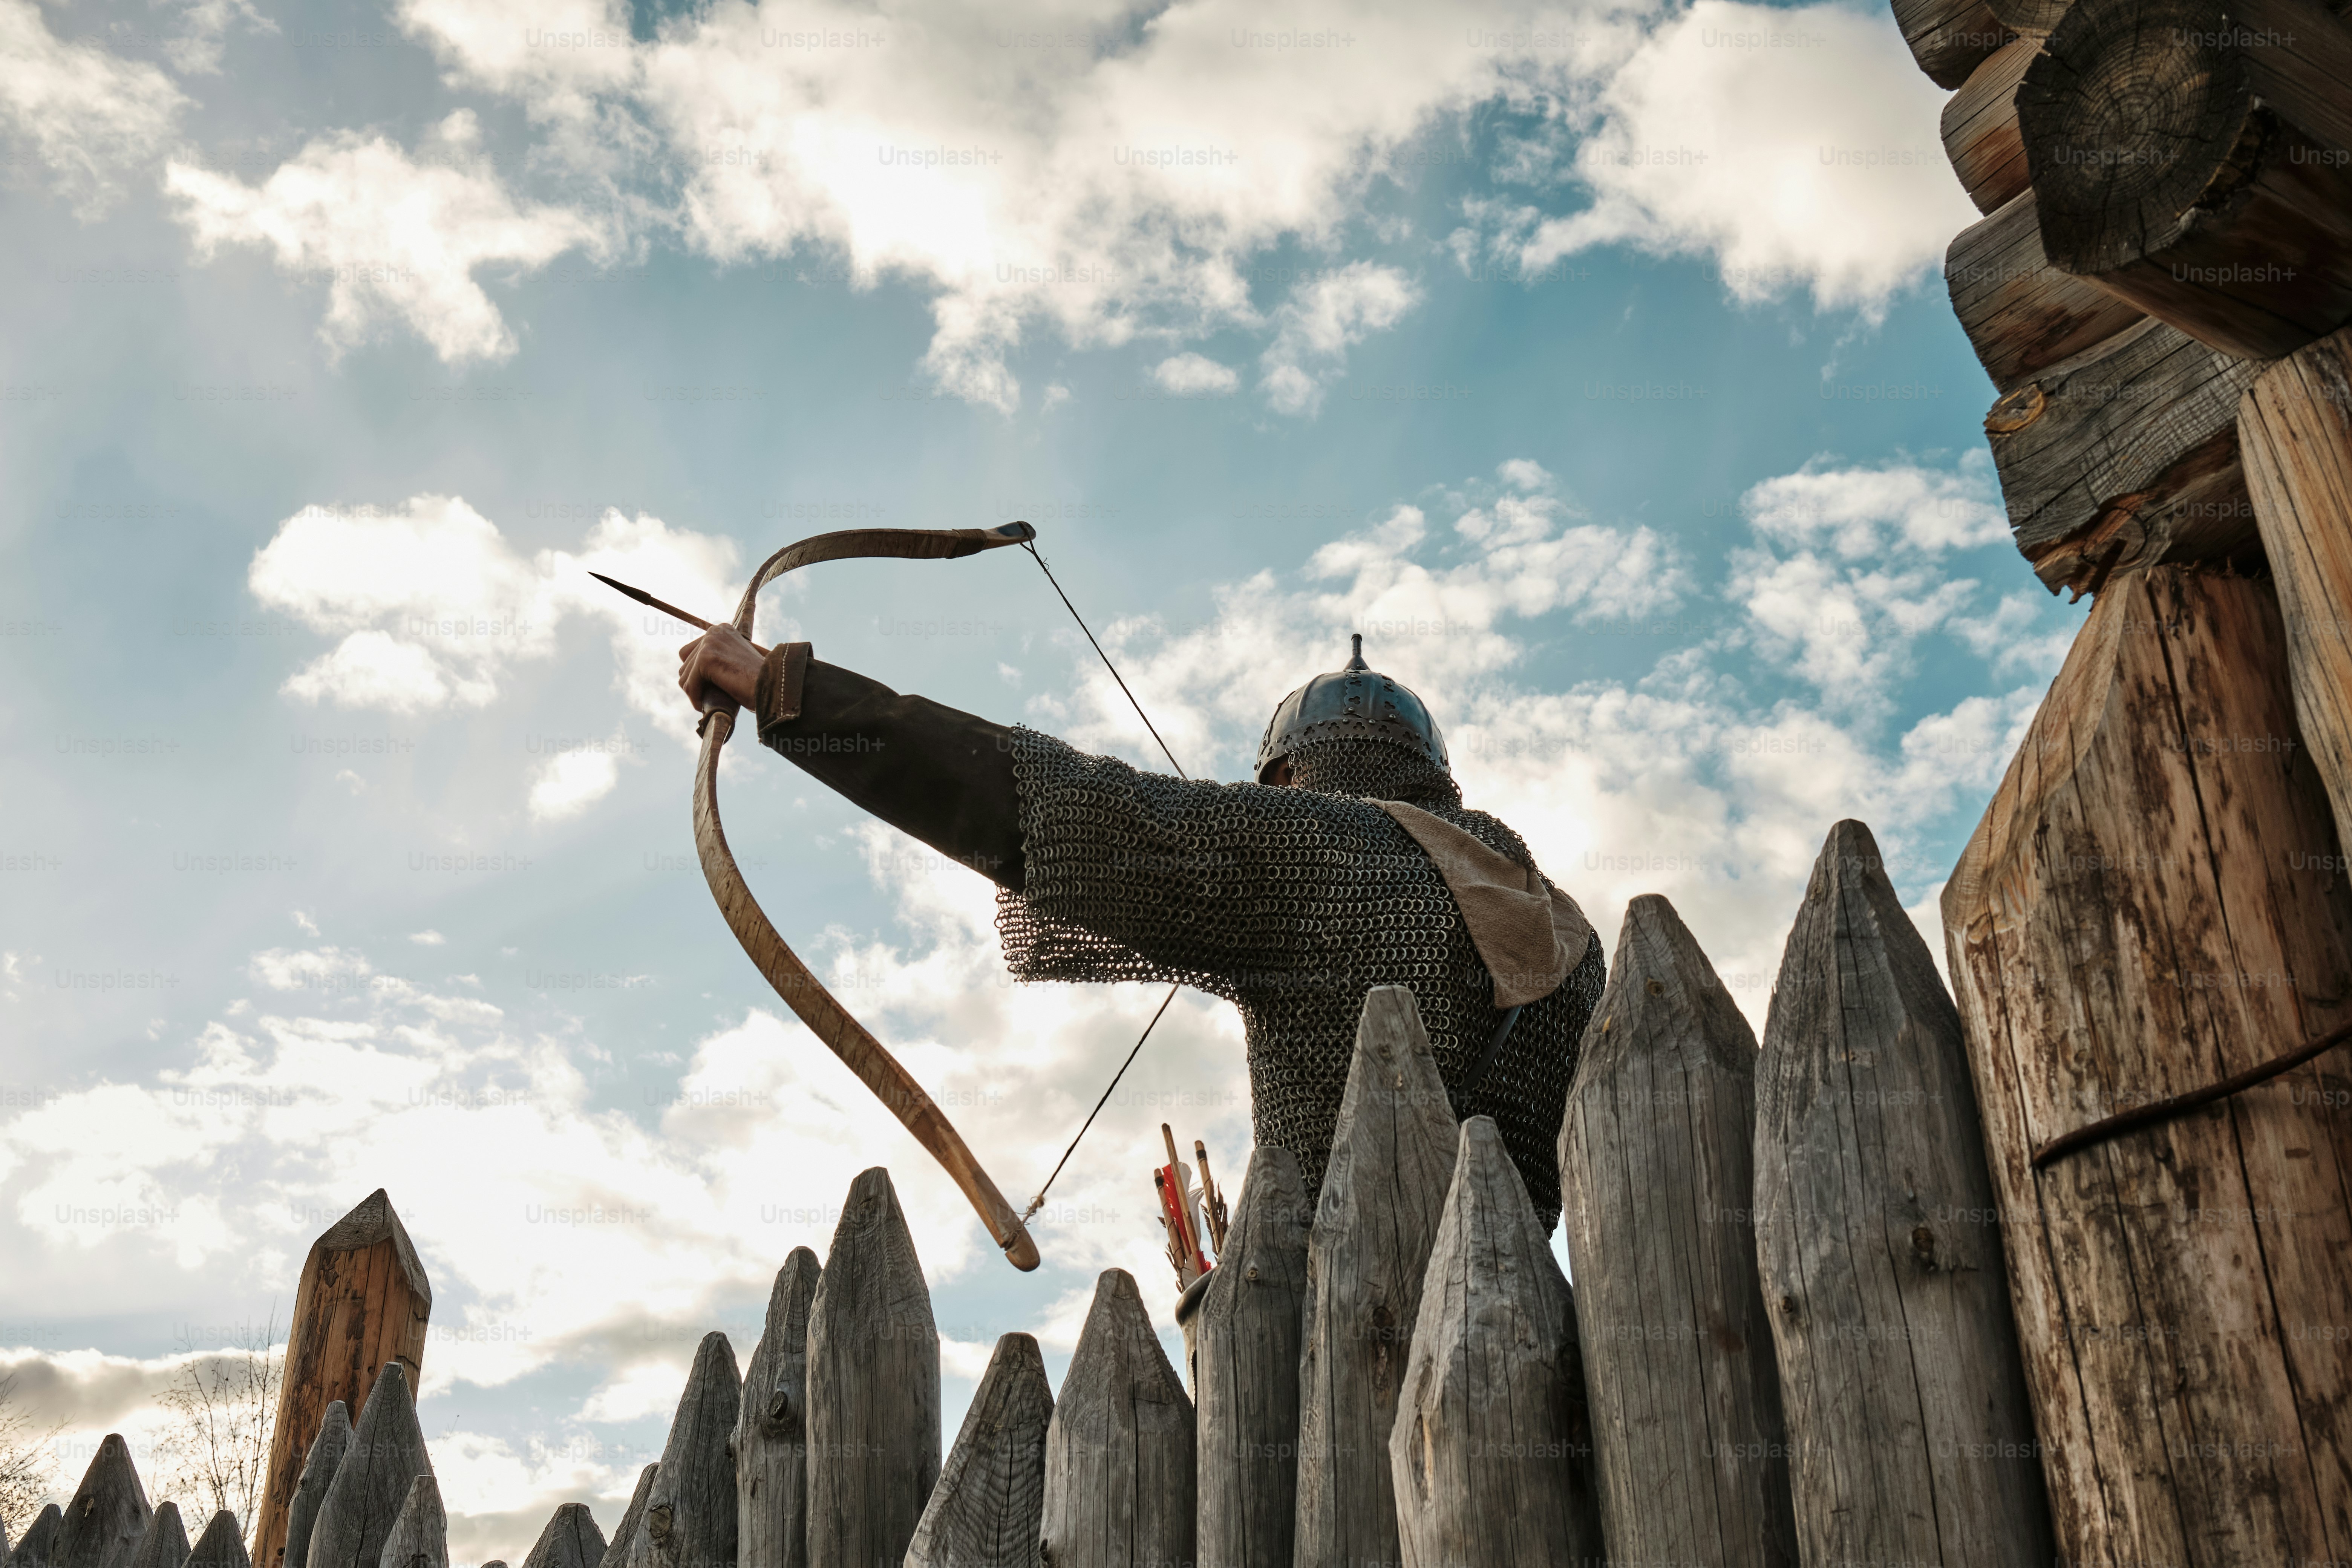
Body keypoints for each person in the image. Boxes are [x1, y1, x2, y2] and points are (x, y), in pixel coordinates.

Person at [677, 623, 1604, 1230]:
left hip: (1342, 1335)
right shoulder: (1564, 929)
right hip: (1528, 1330)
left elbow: (1055, 810)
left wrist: (789, 691)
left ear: (1288, 777)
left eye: (1268, 790)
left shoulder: (1322, 854)